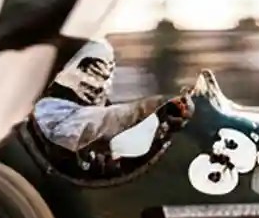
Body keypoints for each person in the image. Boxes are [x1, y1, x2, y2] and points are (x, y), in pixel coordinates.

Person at [32, 39, 190, 177]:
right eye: (97, 70)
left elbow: (117, 154)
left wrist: (161, 133)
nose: (104, 79)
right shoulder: (49, 109)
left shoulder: (96, 115)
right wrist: (152, 109)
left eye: (109, 71)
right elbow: (94, 123)